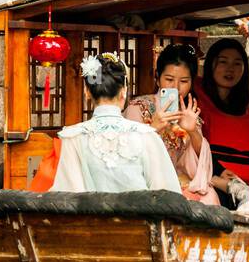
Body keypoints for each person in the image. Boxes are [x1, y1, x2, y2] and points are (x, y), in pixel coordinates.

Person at [51, 52, 184, 193]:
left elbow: (70, 195)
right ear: (124, 92)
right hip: (139, 214)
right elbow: (168, 195)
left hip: (92, 215)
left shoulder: (73, 137)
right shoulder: (147, 135)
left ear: (87, 92)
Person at [123, 43, 219, 206]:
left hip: (178, 183)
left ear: (191, 83)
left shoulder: (189, 113)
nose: (175, 87)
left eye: (183, 81)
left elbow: (198, 167)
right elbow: (126, 156)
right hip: (145, 185)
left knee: (209, 197)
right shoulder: (139, 107)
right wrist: (152, 129)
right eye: (169, 79)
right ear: (157, 77)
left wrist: (193, 131)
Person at [195, 37, 249, 209]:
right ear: (211, 65)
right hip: (214, 189)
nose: (230, 69)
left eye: (237, 64)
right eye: (223, 62)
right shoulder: (197, 103)